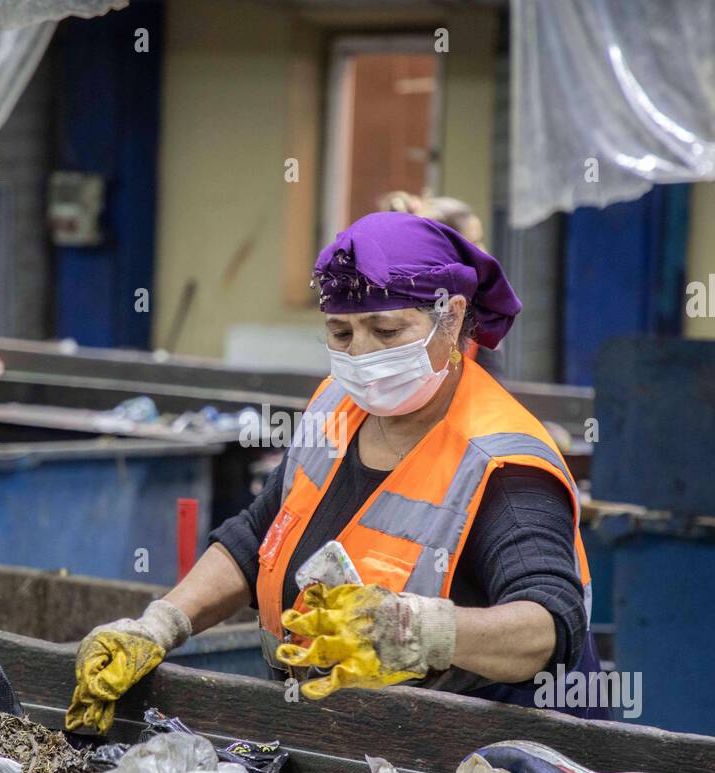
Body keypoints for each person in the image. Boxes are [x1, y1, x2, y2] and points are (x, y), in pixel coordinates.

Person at [67, 211, 605, 735]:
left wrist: (420, 631)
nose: (362, 355)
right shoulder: (335, 408)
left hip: (487, 760)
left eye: (387, 329)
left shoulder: (500, 462)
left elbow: (547, 625)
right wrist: (160, 625)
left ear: (454, 317)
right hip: (354, 737)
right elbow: (259, 535)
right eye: (341, 333)